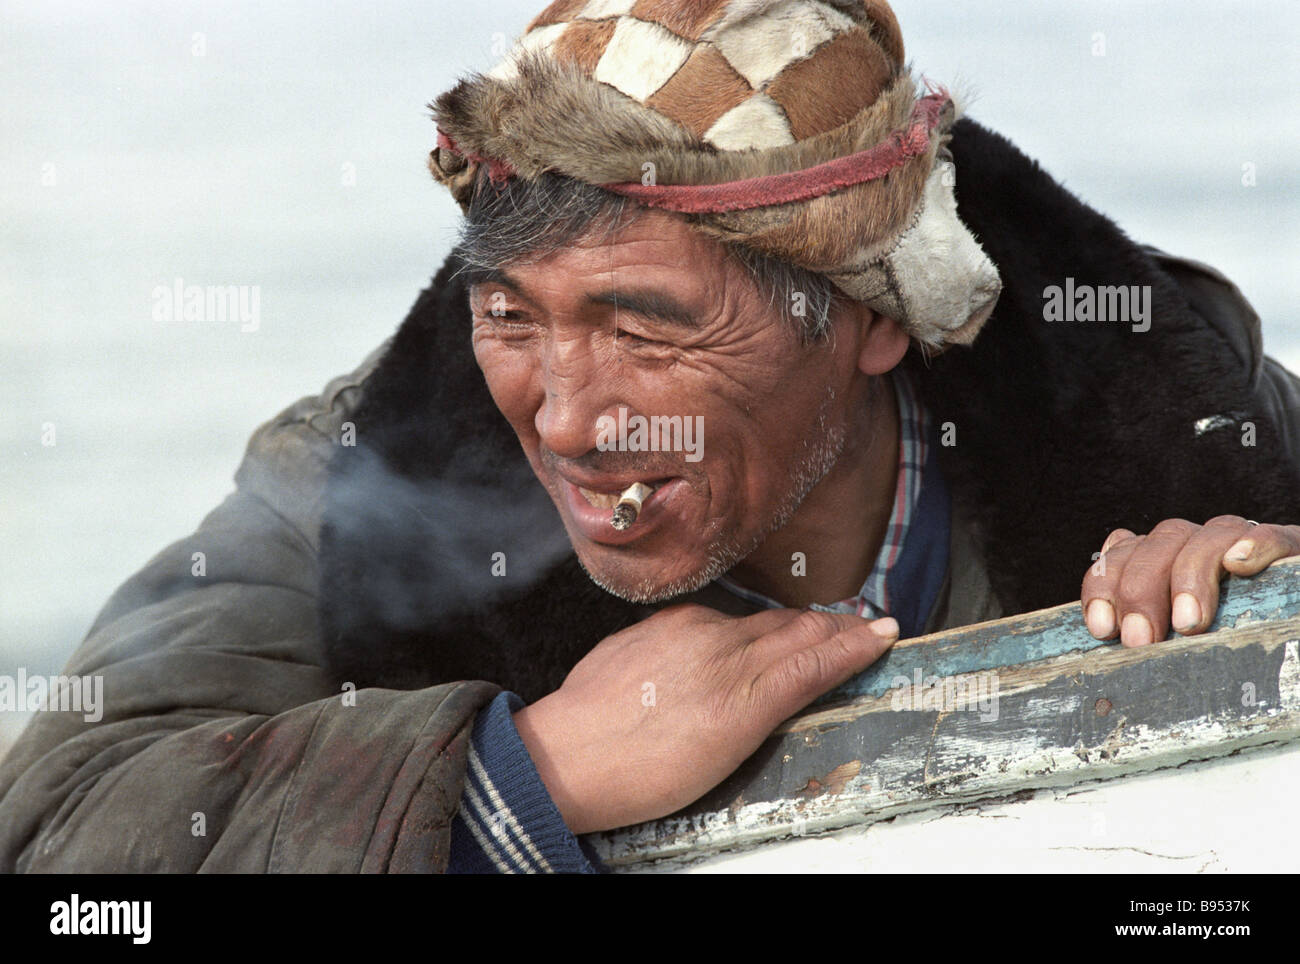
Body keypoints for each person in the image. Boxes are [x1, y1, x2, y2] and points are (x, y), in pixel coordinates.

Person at [3, 0, 1298, 874]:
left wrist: (1269, 584)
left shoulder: (1174, 408)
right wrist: (526, 773)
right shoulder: (354, 486)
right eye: (508, 316)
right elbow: (51, 830)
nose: (563, 419)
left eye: (646, 327)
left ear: (875, 314)